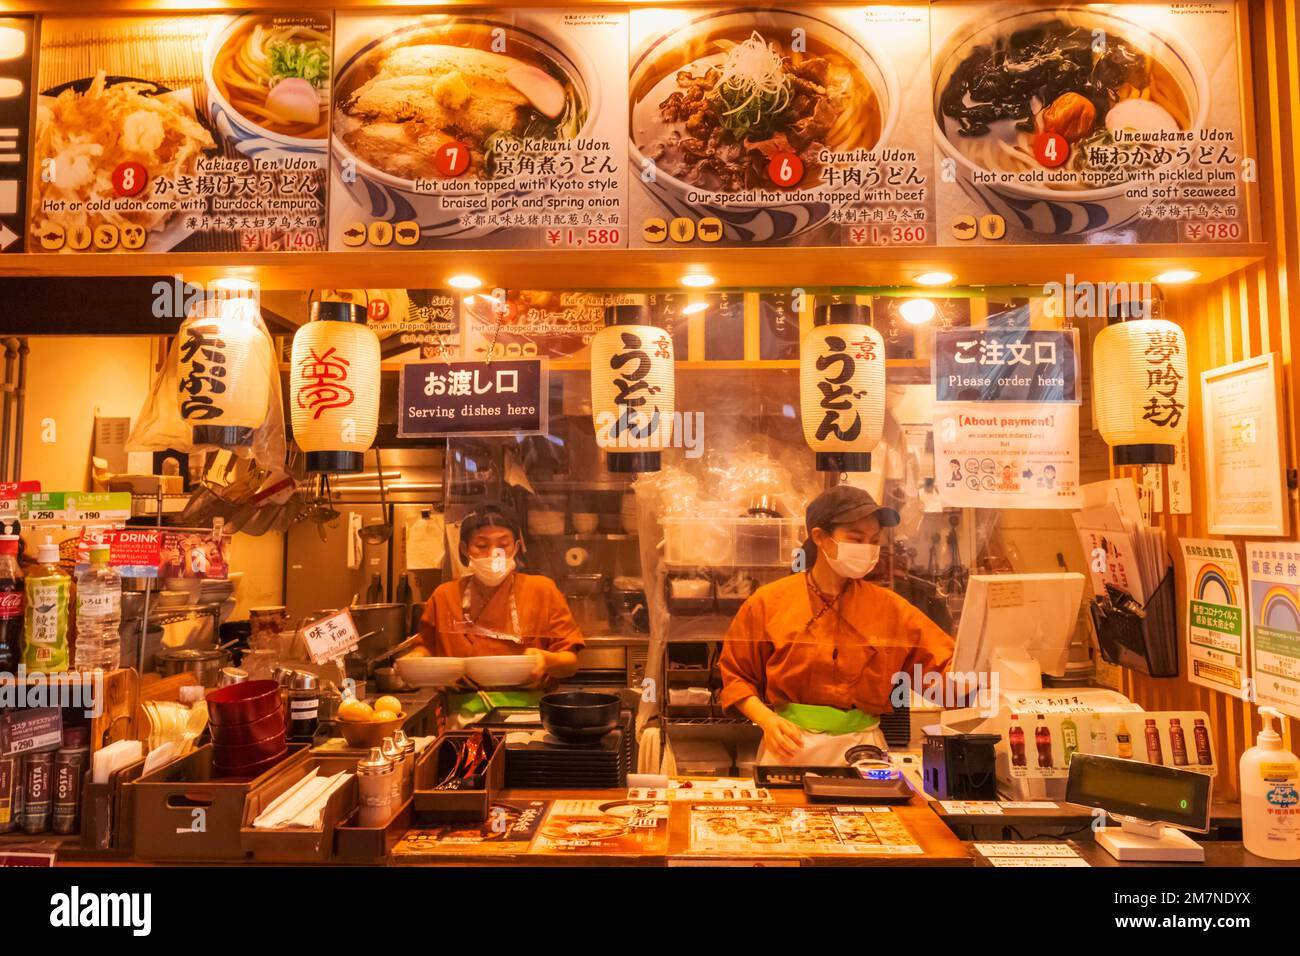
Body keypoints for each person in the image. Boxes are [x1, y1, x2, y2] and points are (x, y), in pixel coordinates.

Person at [719, 485, 955, 766]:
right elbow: (736, 677)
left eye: (873, 540)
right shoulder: (769, 602)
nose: (867, 549)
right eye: (855, 538)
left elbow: (945, 673)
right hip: (789, 747)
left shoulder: (891, 609)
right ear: (819, 537)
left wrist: (980, 676)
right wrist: (767, 720)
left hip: (864, 749)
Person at [405, 504, 583, 716]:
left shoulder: (542, 590)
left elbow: (570, 663)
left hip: (527, 717)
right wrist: (415, 658)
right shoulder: (444, 596)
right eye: (481, 545)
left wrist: (545, 660)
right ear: (464, 549)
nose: (493, 554)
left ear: (516, 547)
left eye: (503, 545)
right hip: (459, 719)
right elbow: (425, 647)